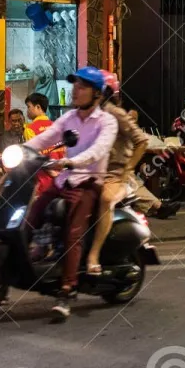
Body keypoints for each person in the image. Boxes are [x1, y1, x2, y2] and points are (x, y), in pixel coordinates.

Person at [24, 67, 119, 321]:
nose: (75, 90)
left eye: (82, 87)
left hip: (87, 182)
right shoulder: (69, 118)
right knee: (32, 213)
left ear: (96, 94)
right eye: (75, 85)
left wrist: (71, 162)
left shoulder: (106, 122)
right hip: (65, 180)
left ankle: (67, 290)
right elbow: (45, 138)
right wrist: (19, 150)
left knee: (73, 233)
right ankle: (27, 258)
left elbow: (99, 151)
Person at [85, 72, 151, 275]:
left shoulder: (115, 113)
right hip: (93, 172)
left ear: (104, 92)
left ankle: (93, 255)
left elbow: (142, 141)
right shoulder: (88, 113)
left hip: (115, 174)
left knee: (105, 199)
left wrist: (128, 169)